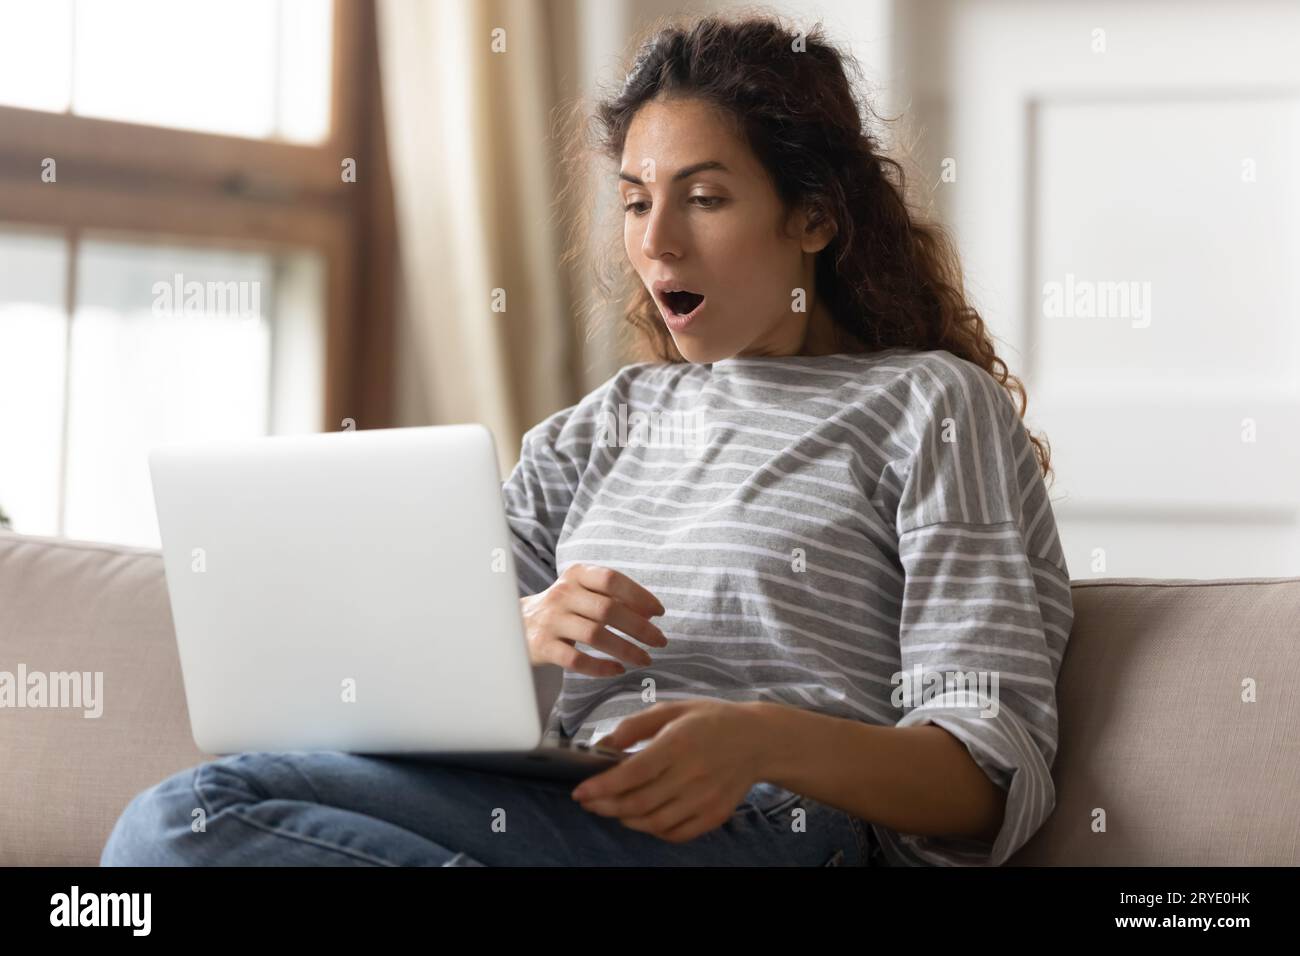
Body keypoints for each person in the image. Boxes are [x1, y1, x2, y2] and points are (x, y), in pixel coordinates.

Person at [101, 12, 1072, 868]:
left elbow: (985, 773)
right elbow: (414, 680)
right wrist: (515, 633)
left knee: (187, 821)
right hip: (553, 800)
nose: (656, 243)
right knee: (191, 814)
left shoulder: (927, 405)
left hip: (778, 823)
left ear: (813, 215)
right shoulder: (593, 429)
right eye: (636, 198)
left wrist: (759, 740)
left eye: (705, 196)